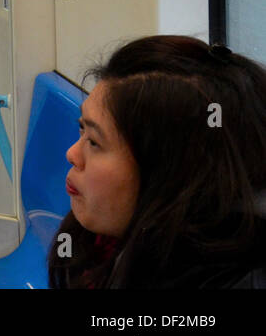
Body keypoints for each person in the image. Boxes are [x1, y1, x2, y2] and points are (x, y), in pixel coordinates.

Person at [48, 36, 266, 289]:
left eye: (95, 142)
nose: (72, 154)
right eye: (81, 129)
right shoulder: (100, 242)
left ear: (170, 173)